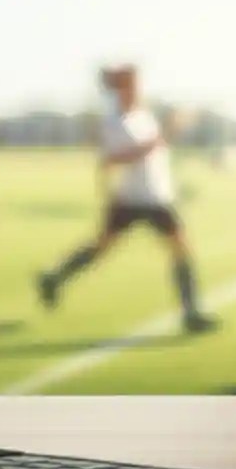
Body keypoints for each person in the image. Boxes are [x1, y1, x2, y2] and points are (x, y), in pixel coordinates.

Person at [37, 65, 217, 333]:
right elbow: (112, 159)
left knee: (180, 248)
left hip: (156, 196)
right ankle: (54, 278)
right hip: (132, 198)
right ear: (120, 88)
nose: (137, 89)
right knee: (102, 247)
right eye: (132, 84)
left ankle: (191, 313)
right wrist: (162, 136)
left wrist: (170, 136)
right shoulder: (114, 122)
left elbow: (157, 152)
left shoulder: (143, 115)